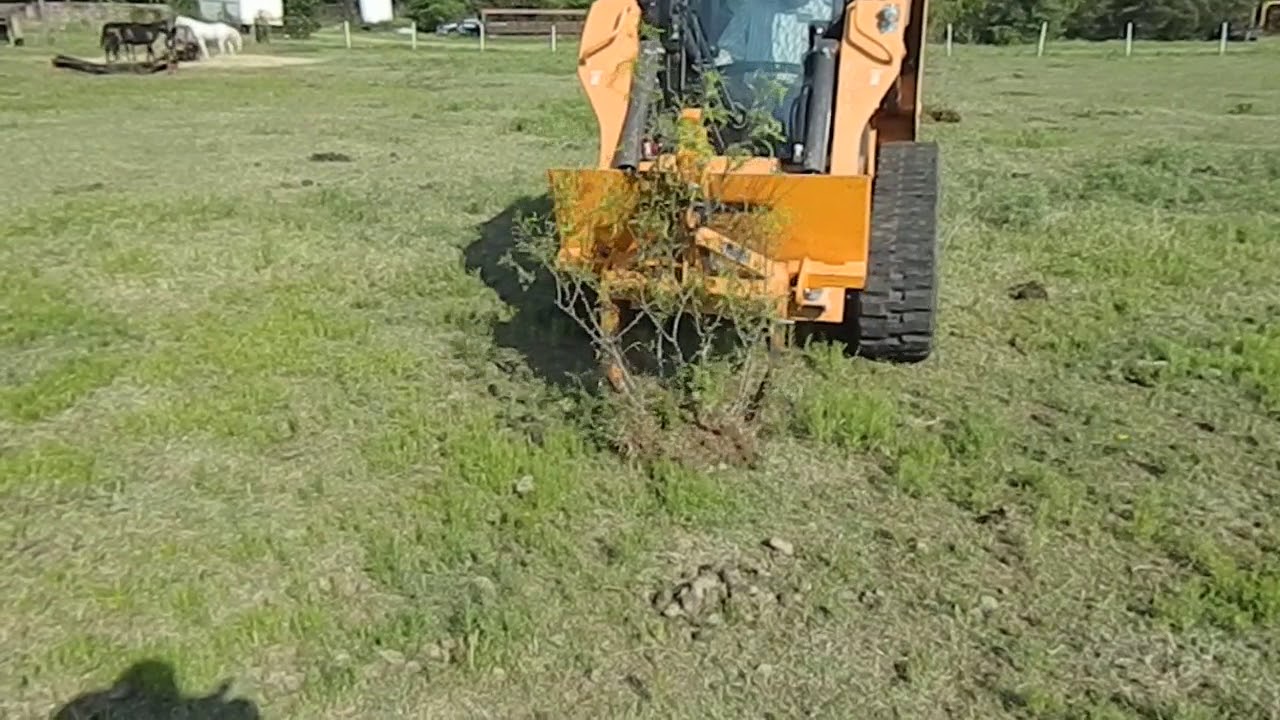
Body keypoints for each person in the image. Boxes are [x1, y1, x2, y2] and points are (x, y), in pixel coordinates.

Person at [712, 0, 837, 136]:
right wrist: (712, 75)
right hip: (754, 105)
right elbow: (727, 54)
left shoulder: (830, 15)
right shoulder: (752, 9)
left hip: (806, 111)